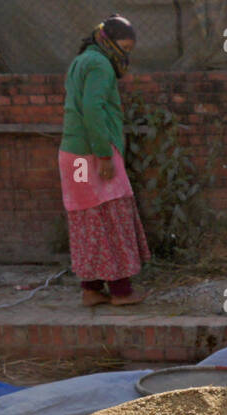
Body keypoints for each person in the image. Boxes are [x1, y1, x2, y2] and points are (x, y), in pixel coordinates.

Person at [58, 15, 149, 307]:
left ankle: (91, 289)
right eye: (124, 47)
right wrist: (104, 155)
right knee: (112, 215)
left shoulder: (80, 61)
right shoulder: (100, 65)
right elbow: (93, 110)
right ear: (108, 41)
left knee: (89, 219)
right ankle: (122, 291)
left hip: (74, 158)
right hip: (93, 153)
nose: (125, 55)